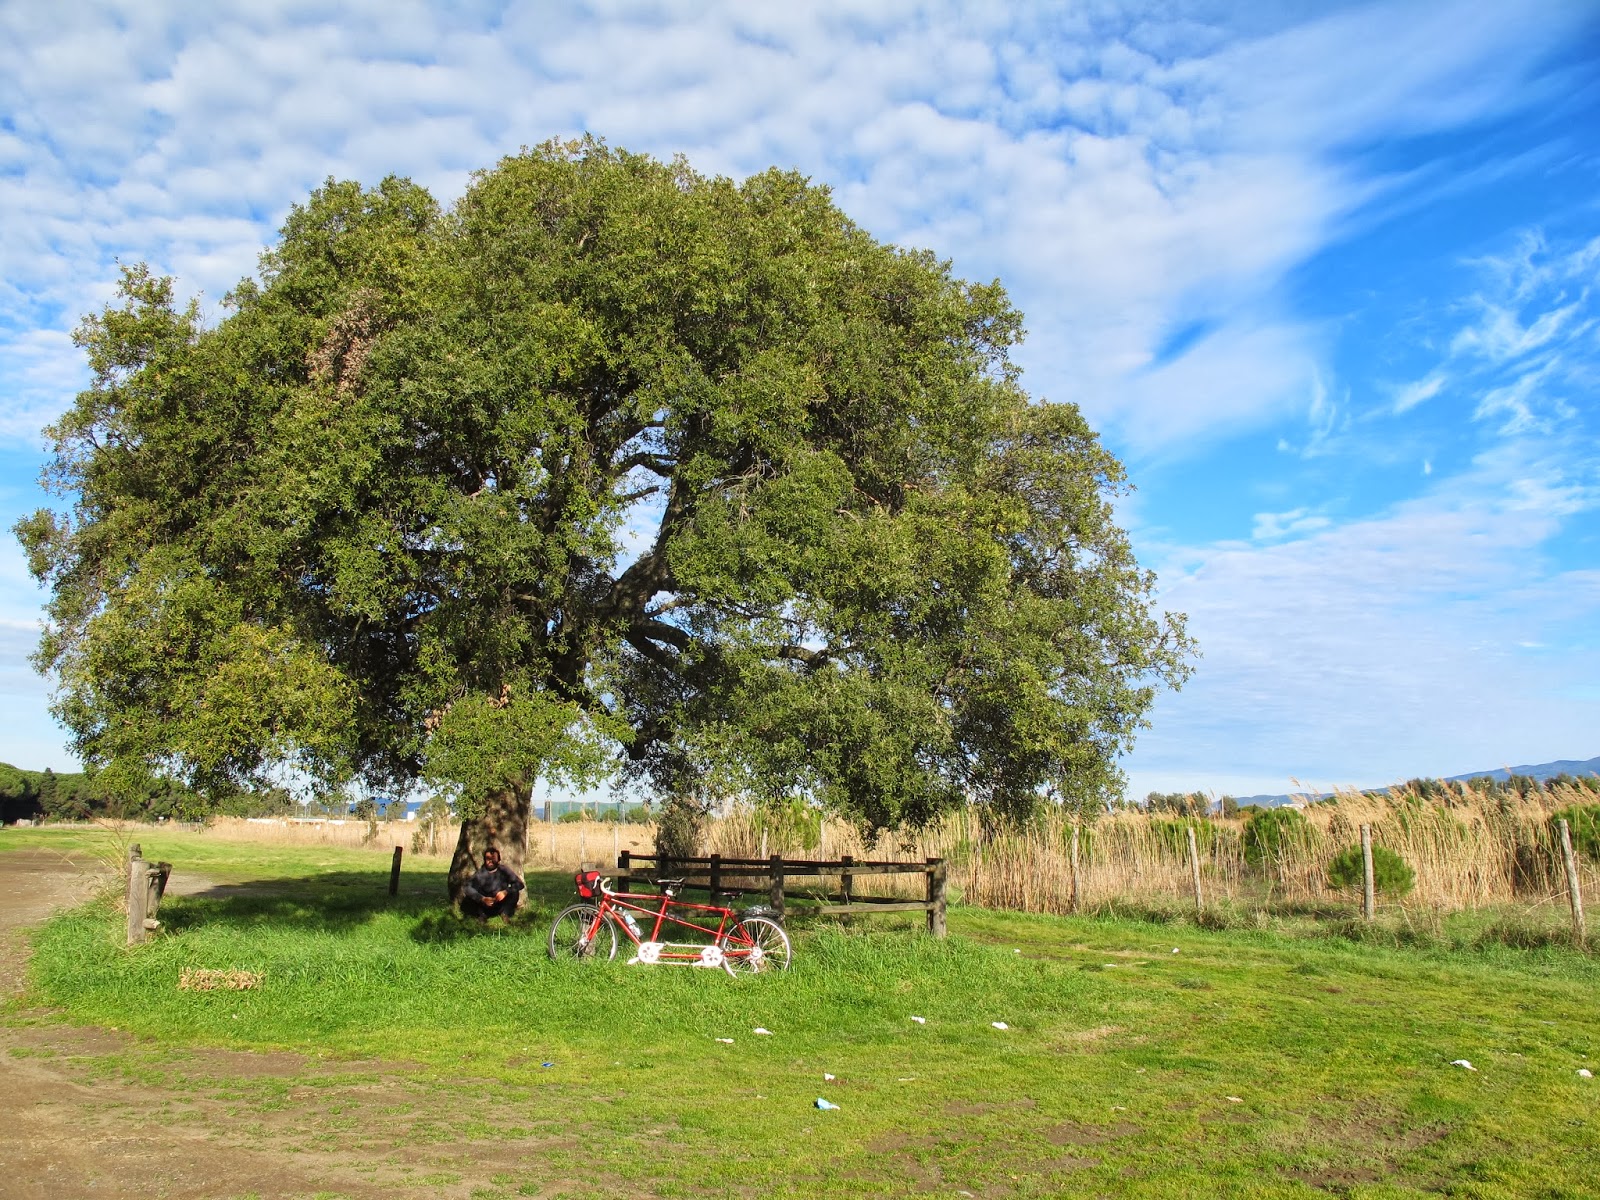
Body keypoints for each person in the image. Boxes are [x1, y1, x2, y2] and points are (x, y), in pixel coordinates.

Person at [461, 846, 524, 921]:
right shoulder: (480, 873)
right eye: (488, 859)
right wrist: (482, 899)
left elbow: (519, 884)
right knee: (468, 898)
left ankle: (505, 914)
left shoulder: (504, 870)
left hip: (501, 903)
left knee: (514, 892)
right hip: (485, 905)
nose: (490, 861)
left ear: (498, 860)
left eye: (493, 858)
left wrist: (505, 892)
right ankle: (482, 916)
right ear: (484, 860)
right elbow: (467, 888)